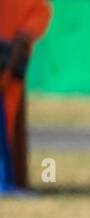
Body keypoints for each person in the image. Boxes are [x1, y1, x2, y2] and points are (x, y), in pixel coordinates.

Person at [0, 0, 52, 192]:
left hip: (11, 52)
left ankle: (9, 180)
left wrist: (22, 39)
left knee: (8, 120)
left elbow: (40, 11)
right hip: (12, 49)